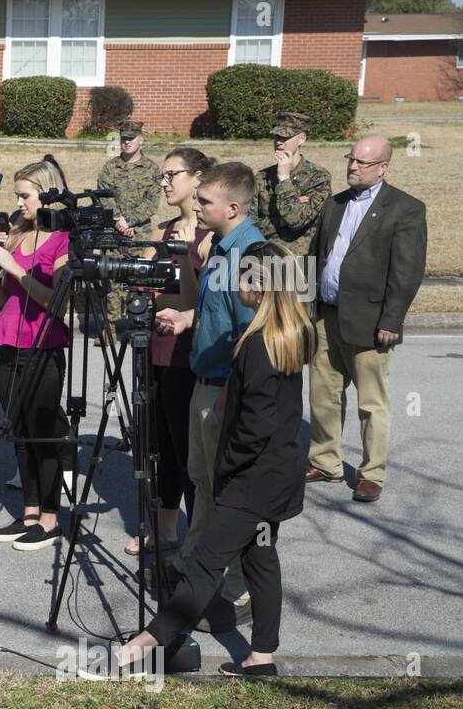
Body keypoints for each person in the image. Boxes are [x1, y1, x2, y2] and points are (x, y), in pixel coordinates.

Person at [96, 242, 315, 678]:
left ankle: (136, 652)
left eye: (241, 276)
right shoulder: (294, 333)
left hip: (250, 482)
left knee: (201, 568)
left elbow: (254, 426)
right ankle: (261, 658)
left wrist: (225, 470)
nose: (235, 284)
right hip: (279, 477)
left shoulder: (256, 344)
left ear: (258, 283)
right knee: (261, 558)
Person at [155, 162, 265, 620]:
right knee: (201, 484)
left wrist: (230, 396)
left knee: (230, 494)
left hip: (225, 391)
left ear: (233, 207)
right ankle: (194, 564)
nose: (196, 206)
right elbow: (217, 313)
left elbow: (254, 337)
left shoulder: (254, 255)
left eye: (205, 201)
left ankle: (238, 588)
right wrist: (186, 320)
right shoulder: (219, 245)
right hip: (204, 383)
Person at [306, 134, 427, 504]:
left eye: (362, 162)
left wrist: (391, 320)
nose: (352, 166)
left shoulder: (405, 208)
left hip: (372, 321)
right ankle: (326, 461)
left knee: (371, 403)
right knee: (323, 395)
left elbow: (407, 272)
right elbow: (316, 256)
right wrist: (306, 307)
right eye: (351, 159)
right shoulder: (335, 204)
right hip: (327, 317)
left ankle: (372, 473)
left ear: (383, 168)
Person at [0, 159, 73, 552]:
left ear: (46, 195)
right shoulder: (17, 235)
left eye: (25, 196)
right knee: (17, 428)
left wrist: (15, 268)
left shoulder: (63, 241)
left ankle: (50, 519)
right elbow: (5, 305)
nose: (19, 203)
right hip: (9, 343)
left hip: (44, 344)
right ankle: (30, 512)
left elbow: (58, 302)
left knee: (43, 432)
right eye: (17, 195)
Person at [124, 147, 215, 559]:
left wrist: (183, 257)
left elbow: (212, 300)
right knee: (155, 444)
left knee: (188, 447)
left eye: (171, 174)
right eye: (161, 175)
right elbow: (141, 287)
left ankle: (199, 536)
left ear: (197, 179)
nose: (164, 182)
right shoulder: (161, 231)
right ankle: (164, 529)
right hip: (154, 351)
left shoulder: (211, 238)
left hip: (190, 356)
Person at [252, 112, 332, 258]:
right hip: (265, 258)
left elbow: (296, 220)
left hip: (301, 263)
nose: (279, 142)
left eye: (286, 137)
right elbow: (250, 227)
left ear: (302, 139)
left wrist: (284, 178)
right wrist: (283, 216)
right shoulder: (262, 177)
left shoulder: (318, 177)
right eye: (277, 136)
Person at [97, 120, 162, 240]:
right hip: (112, 234)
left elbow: (152, 203)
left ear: (141, 139)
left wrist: (128, 221)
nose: (127, 142)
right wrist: (118, 219)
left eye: (131, 138)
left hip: (140, 235)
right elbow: (103, 196)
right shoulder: (110, 167)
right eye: (123, 138)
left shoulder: (152, 169)